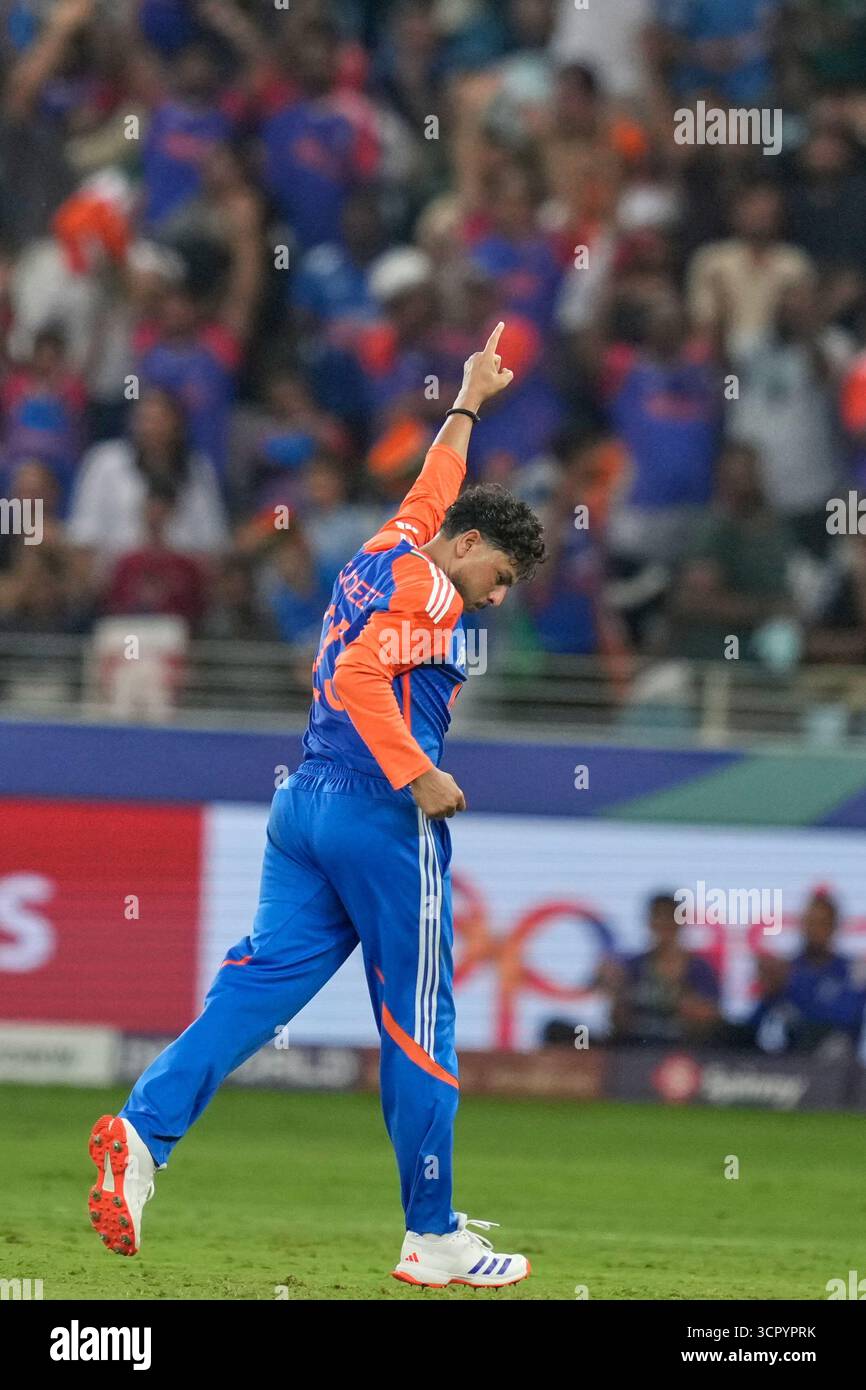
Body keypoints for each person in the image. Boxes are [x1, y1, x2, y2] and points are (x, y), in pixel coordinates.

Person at [87, 324, 546, 1289]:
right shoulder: (437, 597)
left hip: (302, 807)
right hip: (380, 817)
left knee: (255, 990)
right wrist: (418, 774)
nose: (496, 600)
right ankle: (434, 1237)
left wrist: (467, 396)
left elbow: (433, 481)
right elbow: (364, 674)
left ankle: (141, 1135)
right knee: (421, 1025)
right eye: (499, 578)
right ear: (469, 547)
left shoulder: (396, 545)